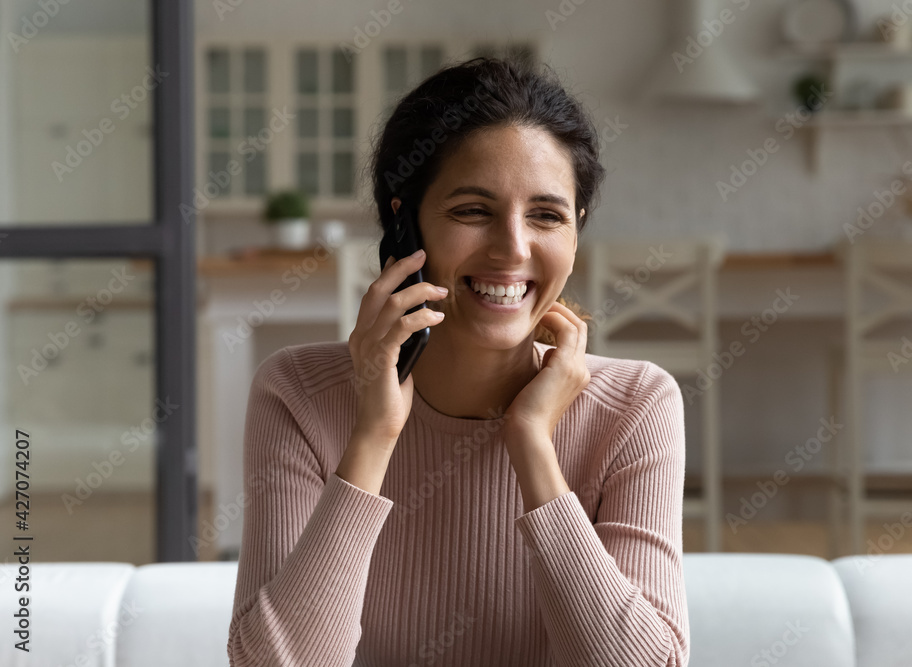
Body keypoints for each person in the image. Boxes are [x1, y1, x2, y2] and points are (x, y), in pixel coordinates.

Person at [227, 55, 689, 667]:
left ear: (576, 231)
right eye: (473, 211)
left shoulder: (636, 405)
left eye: (547, 215)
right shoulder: (296, 393)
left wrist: (531, 443)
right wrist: (373, 436)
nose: (513, 248)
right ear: (406, 224)